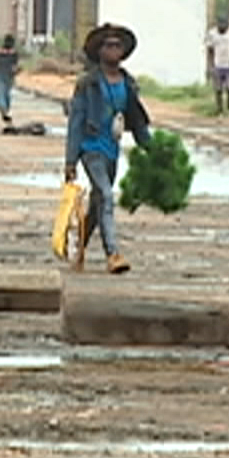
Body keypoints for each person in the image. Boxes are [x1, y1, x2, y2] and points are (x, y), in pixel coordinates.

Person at [65, 23, 152, 275]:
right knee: (105, 195)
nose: (113, 50)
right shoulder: (88, 84)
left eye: (117, 46)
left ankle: (80, 244)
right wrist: (70, 161)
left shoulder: (128, 83)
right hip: (91, 148)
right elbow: (76, 122)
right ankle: (112, 253)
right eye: (108, 45)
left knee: (98, 202)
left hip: (111, 149)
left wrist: (152, 150)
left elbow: (135, 120)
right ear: (99, 51)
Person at [205, 15, 229, 115]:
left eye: (225, 25)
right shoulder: (212, 34)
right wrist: (210, 65)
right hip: (218, 64)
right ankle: (219, 109)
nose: (223, 27)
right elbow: (210, 50)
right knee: (218, 88)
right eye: (221, 25)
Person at [0, 35, 21, 126]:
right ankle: (5, 111)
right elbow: (14, 67)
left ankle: (4, 111)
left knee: (1, 94)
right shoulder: (14, 53)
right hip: (8, 77)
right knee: (6, 94)